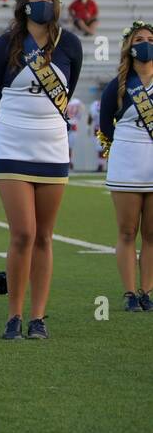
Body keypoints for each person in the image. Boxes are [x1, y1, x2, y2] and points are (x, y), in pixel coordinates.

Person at [0, 0, 83, 340]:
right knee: (23, 232)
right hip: (11, 142)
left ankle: (38, 317)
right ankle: (14, 315)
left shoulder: (69, 44)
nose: (44, 3)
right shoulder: (5, 44)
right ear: (24, 4)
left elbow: (67, 91)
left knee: (44, 235)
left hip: (52, 144)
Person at [99, 21, 153, 311]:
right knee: (127, 231)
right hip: (127, 162)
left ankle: (147, 291)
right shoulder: (119, 84)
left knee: (152, 234)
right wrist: (123, 146)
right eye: (139, 40)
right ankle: (130, 293)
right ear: (129, 48)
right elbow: (105, 125)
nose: (146, 44)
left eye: (150, 40)